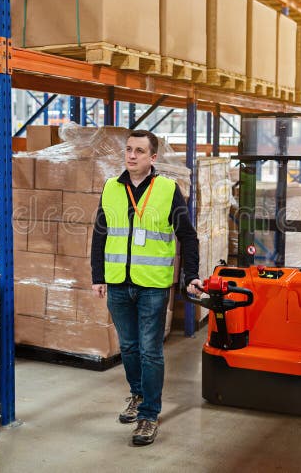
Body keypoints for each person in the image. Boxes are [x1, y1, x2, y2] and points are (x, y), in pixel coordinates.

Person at [91, 129, 203, 446]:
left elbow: (188, 236)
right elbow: (100, 234)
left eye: (139, 151)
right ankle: (138, 395)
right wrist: (97, 275)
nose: (131, 155)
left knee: (150, 351)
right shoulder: (111, 188)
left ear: (153, 158)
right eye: (128, 149)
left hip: (152, 286)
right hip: (117, 283)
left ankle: (149, 416)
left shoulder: (168, 190)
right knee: (128, 346)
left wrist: (190, 274)